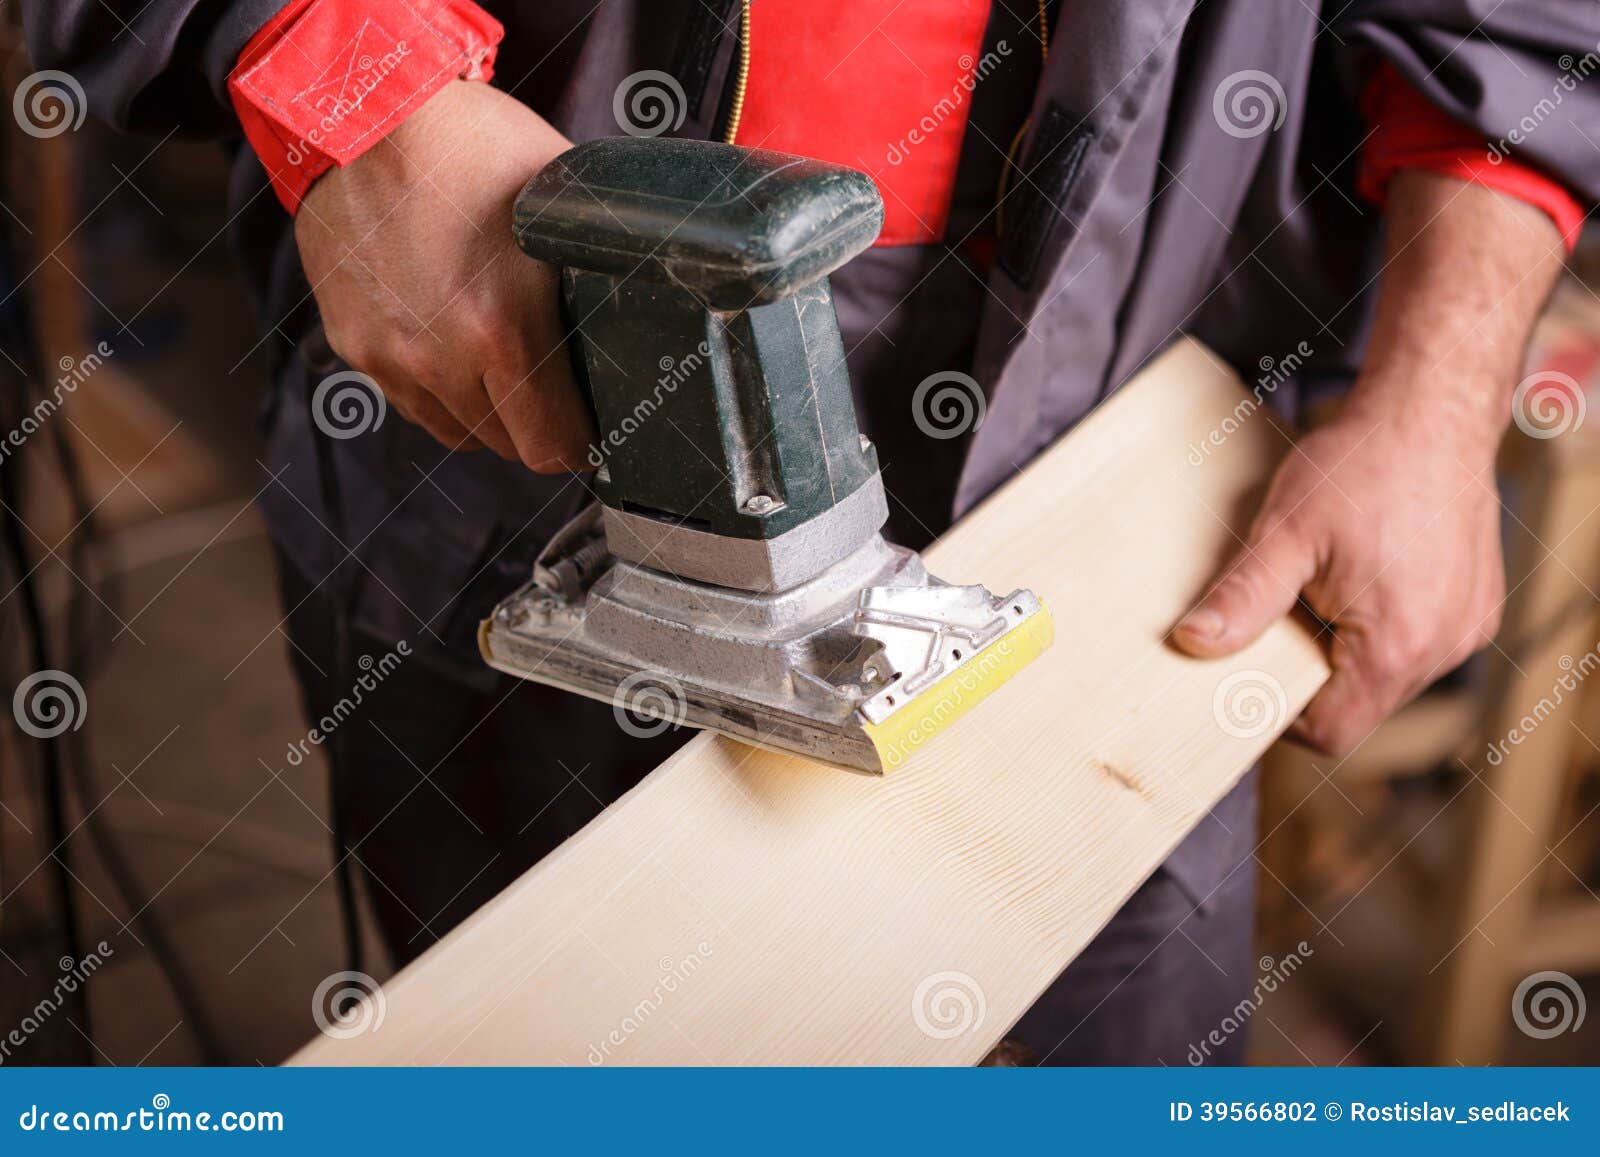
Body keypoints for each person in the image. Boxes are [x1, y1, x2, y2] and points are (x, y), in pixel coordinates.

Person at [26, 0, 1596, 1064]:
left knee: (1095, 1054)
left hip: (1116, 415)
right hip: (522, 318)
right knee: (566, 1053)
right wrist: (349, 78)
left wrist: (1441, 395)